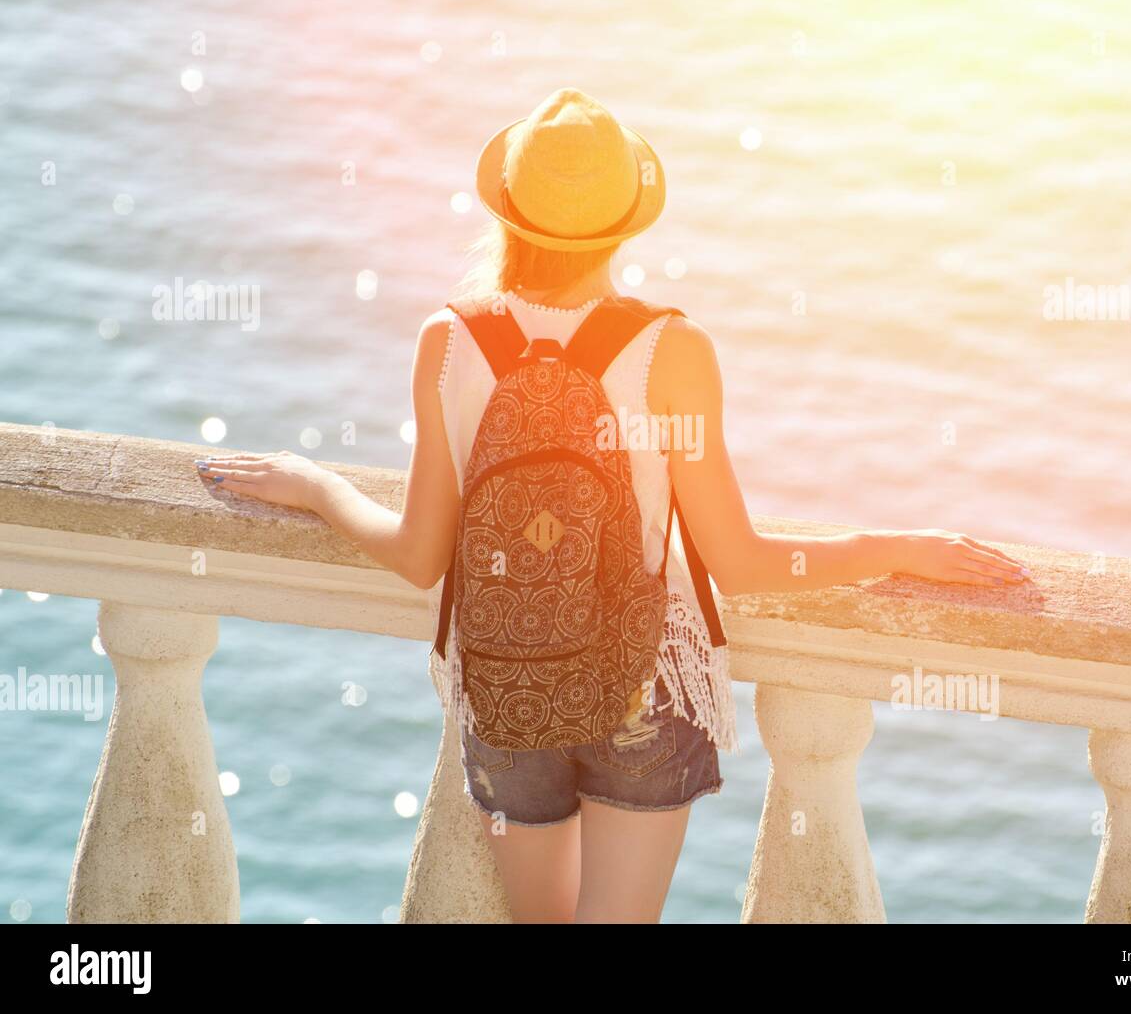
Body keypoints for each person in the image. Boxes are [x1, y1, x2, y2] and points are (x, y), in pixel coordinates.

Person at [193, 88, 1027, 923]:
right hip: (644, 684)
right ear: (627, 223)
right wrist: (892, 547)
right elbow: (737, 561)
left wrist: (317, 487)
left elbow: (420, 555)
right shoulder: (672, 351)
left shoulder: (448, 342)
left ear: (510, 211)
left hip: (507, 682)